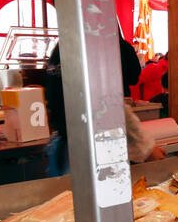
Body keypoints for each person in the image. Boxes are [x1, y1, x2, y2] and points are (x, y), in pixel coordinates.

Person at [43, 42, 163, 177]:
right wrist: (146, 149)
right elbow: (108, 104)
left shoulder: (63, 46)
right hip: (93, 152)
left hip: (66, 145)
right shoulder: (93, 43)